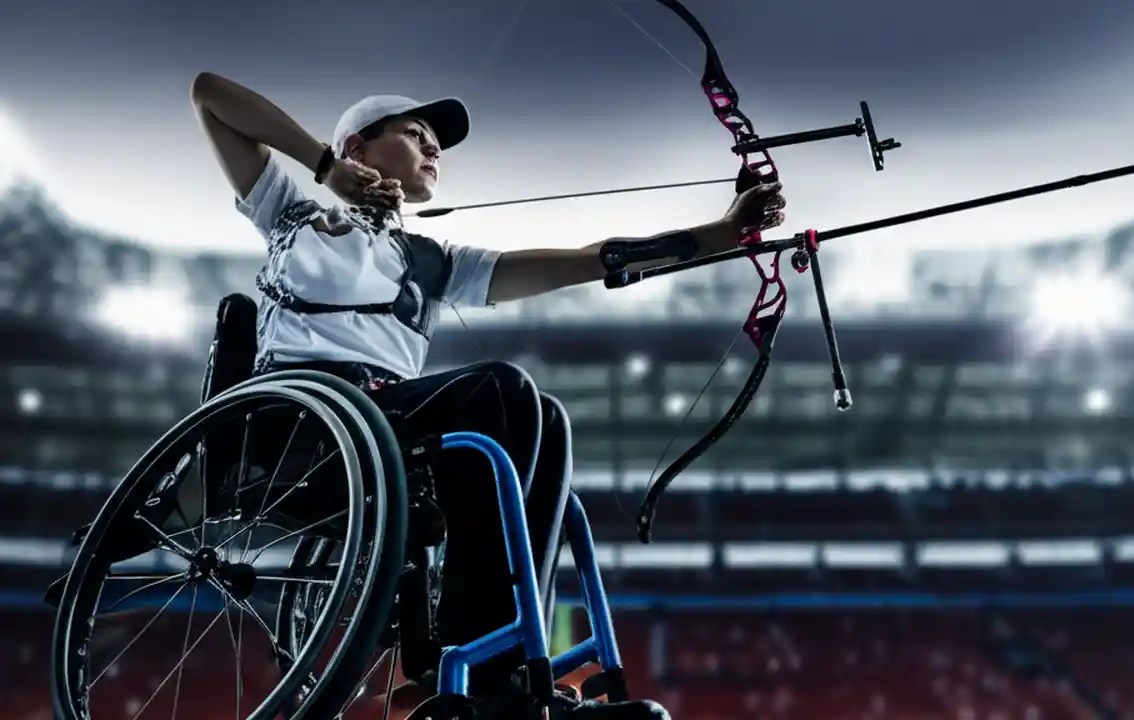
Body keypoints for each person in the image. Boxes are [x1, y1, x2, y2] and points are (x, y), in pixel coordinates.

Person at [190, 71, 785, 715]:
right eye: (416, 134)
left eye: (436, 143)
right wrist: (323, 165)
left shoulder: (433, 261)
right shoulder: (292, 214)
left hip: (383, 431)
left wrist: (720, 235)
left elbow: (588, 259)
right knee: (498, 391)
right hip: (302, 425)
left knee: (547, 421)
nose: (435, 150)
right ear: (359, 147)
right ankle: (482, 655)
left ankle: (509, 663)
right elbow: (209, 96)